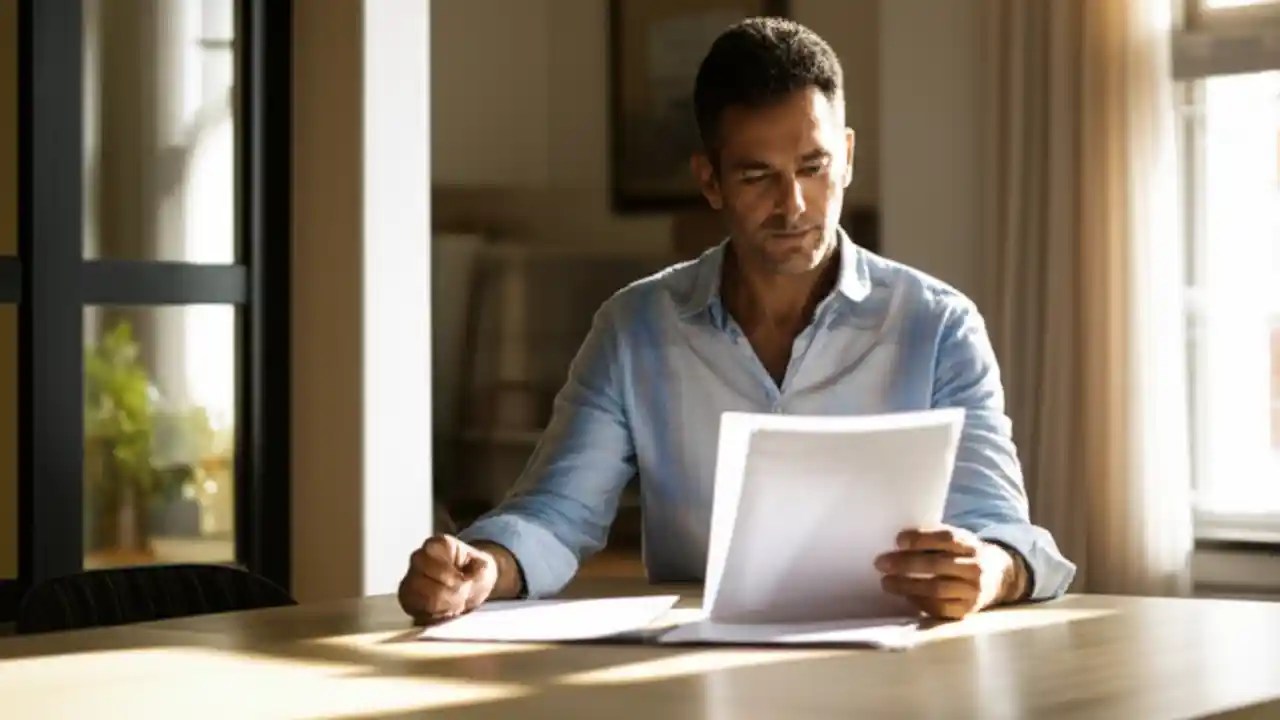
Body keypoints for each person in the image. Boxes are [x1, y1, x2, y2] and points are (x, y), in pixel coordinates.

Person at [399, 17, 1075, 623]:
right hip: (700, 673)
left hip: (895, 672)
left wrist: (992, 571)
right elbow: (555, 515)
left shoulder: (939, 327)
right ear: (710, 179)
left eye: (813, 168)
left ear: (847, 156)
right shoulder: (636, 328)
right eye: (758, 176)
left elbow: (1004, 531)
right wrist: (488, 566)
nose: (793, 206)